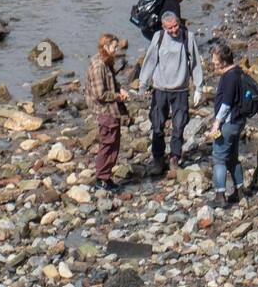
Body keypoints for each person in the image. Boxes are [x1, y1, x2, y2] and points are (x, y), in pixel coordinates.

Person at [139, 11, 203, 178]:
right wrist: (143, 83)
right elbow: (150, 60)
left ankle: (175, 157)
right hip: (160, 89)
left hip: (180, 90)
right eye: (170, 28)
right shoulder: (158, 37)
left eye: (176, 26)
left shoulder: (188, 37)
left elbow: (195, 62)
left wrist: (199, 87)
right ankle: (158, 159)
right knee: (157, 125)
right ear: (163, 27)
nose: (175, 30)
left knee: (179, 125)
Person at [83, 33, 130, 192]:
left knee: (113, 143)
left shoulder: (106, 61)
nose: (116, 50)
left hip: (110, 110)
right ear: (105, 47)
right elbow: (100, 95)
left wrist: (120, 88)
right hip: (105, 111)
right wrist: (118, 96)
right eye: (114, 47)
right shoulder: (98, 66)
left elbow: (112, 81)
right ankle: (101, 179)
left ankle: (106, 177)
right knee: (108, 144)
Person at [208, 42, 247, 208]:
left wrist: (216, 123)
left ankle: (220, 195)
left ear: (223, 62)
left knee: (219, 158)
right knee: (232, 157)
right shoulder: (238, 72)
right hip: (238, 122)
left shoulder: (229, 77)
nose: (213, 62)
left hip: (229, 123)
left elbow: (226, 103)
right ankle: (239, 191)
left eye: (215, 60)